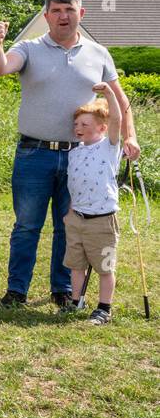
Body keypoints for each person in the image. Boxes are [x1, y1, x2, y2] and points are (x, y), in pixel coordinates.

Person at [0, 0, 140, 308]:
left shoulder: (98, 53)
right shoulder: (28, 47)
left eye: (69, 10)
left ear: (81, 15)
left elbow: (121, 101)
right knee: (27, 224)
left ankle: (63, 290)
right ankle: (17, 290)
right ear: (46, 17)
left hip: (80, 156)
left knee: (67, 226)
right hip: (34, 153)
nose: (63, 16)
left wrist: (130, 136)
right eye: (55, 11)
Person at [62, 86, 123, 325]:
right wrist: (69, 214)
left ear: (102, 128)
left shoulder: (109, 147)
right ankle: (76, 301)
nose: (78, 129)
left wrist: (109, 94)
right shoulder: (74, 153)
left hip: (102, 220)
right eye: (76, 125)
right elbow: (73, 185)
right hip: (77, 218)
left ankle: (104, 308)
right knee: (76, 264)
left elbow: (117, 117)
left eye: (84, 125)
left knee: (104, 267)